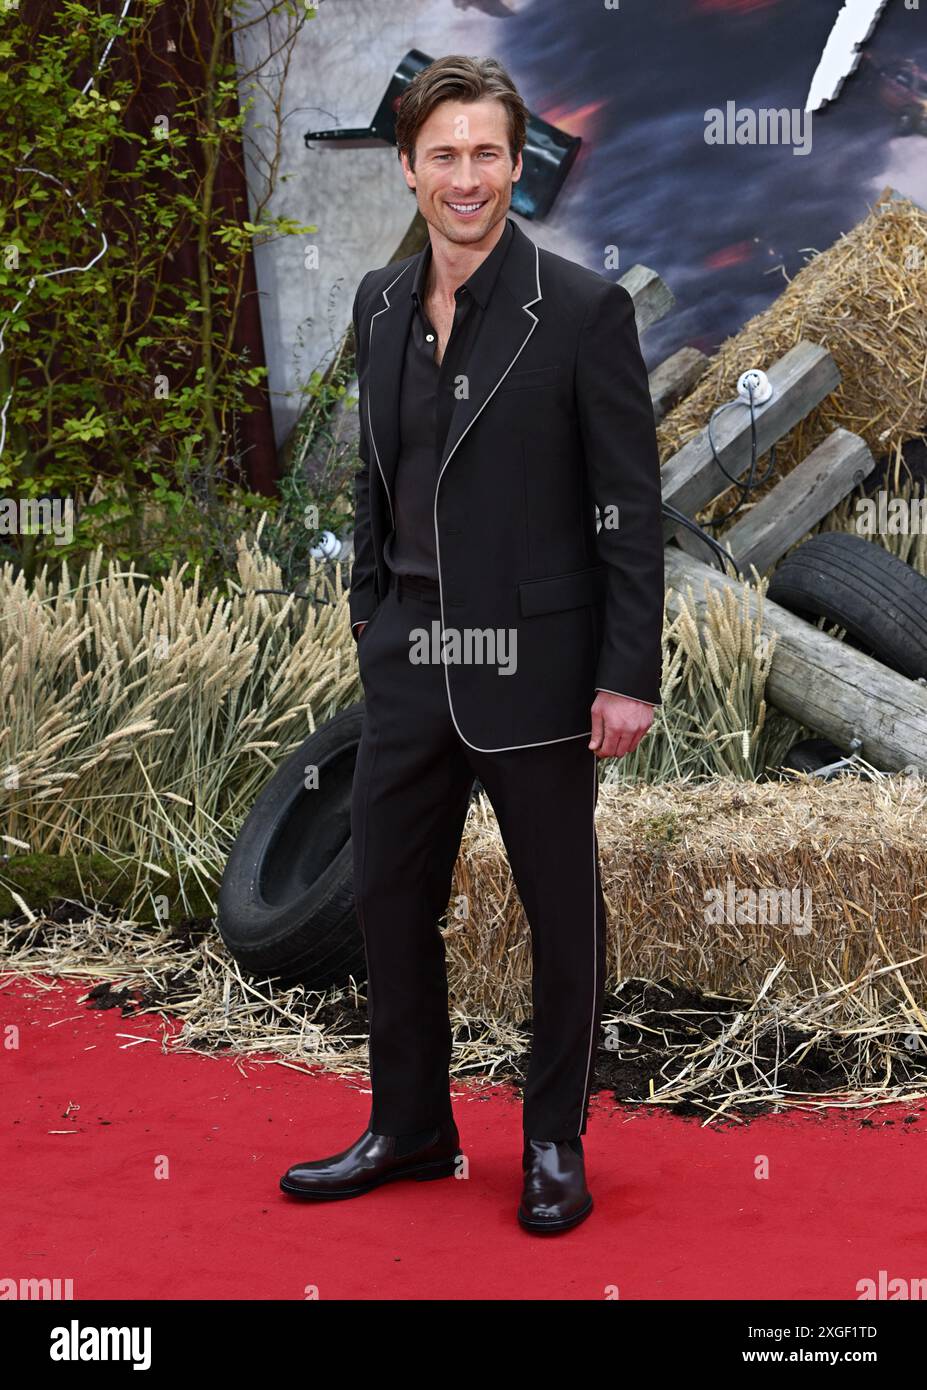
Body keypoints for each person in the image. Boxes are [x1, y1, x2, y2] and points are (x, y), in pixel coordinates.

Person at [280, 54, 664, 1234]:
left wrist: (625, 675)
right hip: (409, 665)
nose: (465, 176)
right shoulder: (379, 305)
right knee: (388, 902)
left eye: (486, 153)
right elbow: (375, 480)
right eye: (442, 154)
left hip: (540, 670)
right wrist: (371, 623)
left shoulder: (584, 314)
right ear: (408, 168)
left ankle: (553, 1140)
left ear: (516, 169)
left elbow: (629, 508)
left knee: (561, 913)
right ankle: (411, 1125)